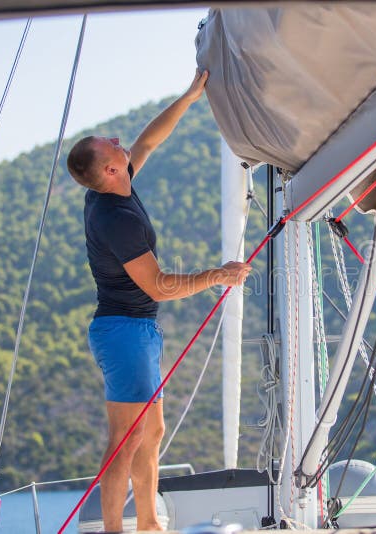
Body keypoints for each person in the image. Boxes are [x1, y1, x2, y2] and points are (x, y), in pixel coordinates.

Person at [66, 70, 251, 532]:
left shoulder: (116, 183)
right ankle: (116, 529)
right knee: (124, 440)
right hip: (124, 332)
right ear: (108, 170)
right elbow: (159, 286)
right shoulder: (115, 218)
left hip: (138, 331)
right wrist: (218, 276)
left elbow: (148, 140)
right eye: (110, 145)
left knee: (151, 434)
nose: (117, 139)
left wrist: (189, 97)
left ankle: (149, 523)